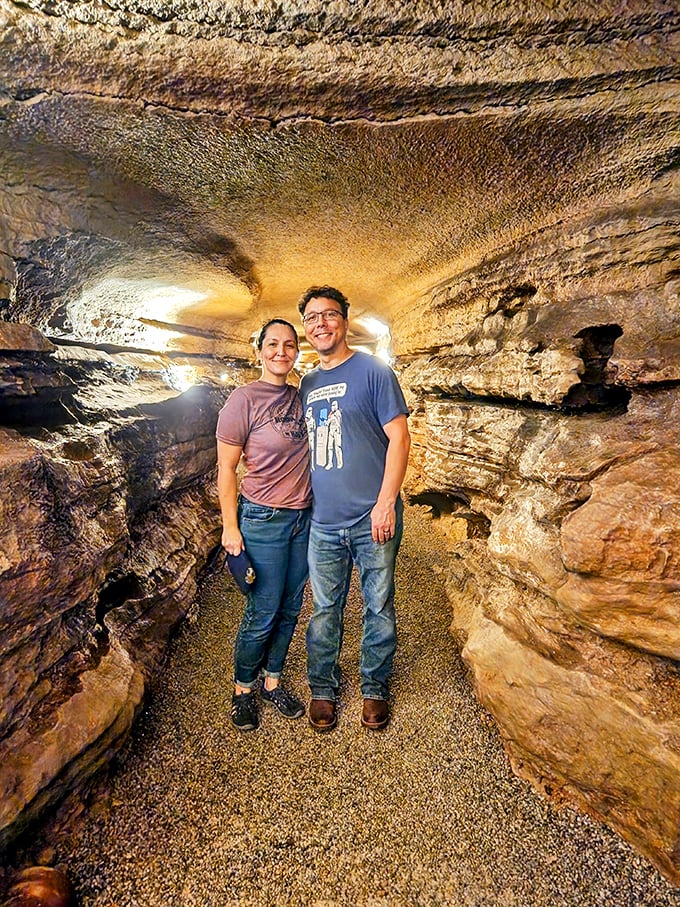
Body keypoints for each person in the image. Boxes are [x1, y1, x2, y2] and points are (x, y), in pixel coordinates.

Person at [298, 286, 411, 731]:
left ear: (344, 321)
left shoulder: (374, 372)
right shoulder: (306, 383)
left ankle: (374, 686)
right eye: (311, 318)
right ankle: (323, 687)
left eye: (328, 315)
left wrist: (386, 504)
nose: (320, 324)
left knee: (378, 605)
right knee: (325, 608)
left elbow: (399, 439)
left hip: (372, 517)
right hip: (323, 522)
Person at [216, 318, 312, 731]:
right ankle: (243, 690)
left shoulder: (303, 395)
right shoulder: (243, 400)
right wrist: (230, 528)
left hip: (303, 520)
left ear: (296, 352)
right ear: (259, 350)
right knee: (264, 609)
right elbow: (225, 469)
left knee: (291, 607)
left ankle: (272, 682)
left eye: (289, 345)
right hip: (263, 518)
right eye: (272, 344)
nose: (281, 352)